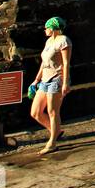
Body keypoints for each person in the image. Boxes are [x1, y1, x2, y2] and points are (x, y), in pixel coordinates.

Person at [30, 15, 71, 155]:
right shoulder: (49, 41)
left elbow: (66, 63)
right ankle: (56, 131)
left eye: (47, 27)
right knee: (35, 112)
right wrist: (36, 79)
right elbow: (44, 62)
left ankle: (52, 142)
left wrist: (65, 82)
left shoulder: (64, 41)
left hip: (56, 79)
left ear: (53, 28)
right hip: (45, 80)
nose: (45, 30)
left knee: (52, 112)